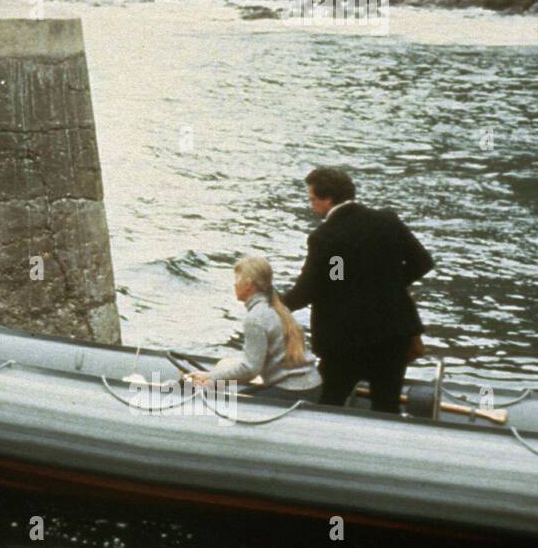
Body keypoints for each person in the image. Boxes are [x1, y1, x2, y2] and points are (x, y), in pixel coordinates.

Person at [281, 167, 435, 414]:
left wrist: (274, 303)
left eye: (312, 199)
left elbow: (314, 287)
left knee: (331, 400)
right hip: (393, 332)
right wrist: (390, 286)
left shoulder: (328, 236)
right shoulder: (387, 221)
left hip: (346, 339)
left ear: (328, 199)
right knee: (386, 403)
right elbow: (423, 262)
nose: (311, 205)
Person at [185, 257, 321, 397]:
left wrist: (209, 377)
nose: (234, 284)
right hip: (312, 386)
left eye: (237, 279)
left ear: (248, 284)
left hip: (293, 391)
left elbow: (250, 370)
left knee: (233, 403)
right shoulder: (278, 308)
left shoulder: (256, 317)